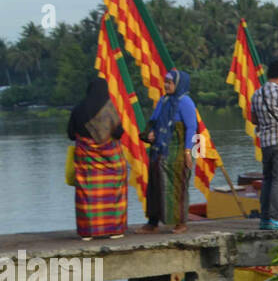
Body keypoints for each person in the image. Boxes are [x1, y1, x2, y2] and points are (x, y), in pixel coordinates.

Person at [67, 77, 128, 240]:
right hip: (110, 161)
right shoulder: (109, 109)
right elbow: (118, 133)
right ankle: (115, 230)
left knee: (86, 192)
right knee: (113, 190)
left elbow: (71, 134)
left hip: (86, 161)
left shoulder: (77, 109)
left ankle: (87, 232)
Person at [141, 69, 197, 234]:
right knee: (155, 186)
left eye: (170, 82)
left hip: (178, 152)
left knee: (177, 187)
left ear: (178, 84)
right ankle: (152, 222)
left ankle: (180, 222)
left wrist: (188, 152)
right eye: (165, 82)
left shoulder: (185, 101)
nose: (166, 85)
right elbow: (154, 120)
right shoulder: (164, 100)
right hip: (160, 151)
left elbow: (192, 127)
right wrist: (150, 133)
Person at [249, 60, 278, 230]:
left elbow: (254, 119)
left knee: (267, 180)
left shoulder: (257, 93)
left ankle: (264, 219)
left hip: (266, 142)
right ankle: (276, 218)